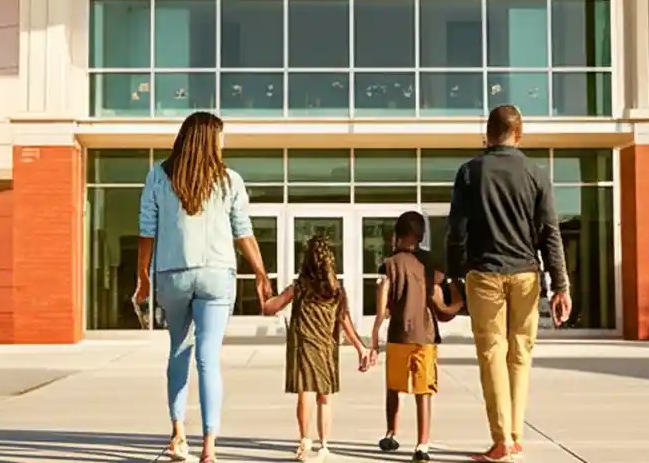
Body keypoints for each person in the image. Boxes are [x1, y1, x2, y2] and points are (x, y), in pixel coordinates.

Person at [134, 111, 273, 463]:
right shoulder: (229, 180)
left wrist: (142, 277)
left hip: (172, 274)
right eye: (221, 136)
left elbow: (147, 231)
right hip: (216, 273)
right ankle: (209, 449)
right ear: (211, 139)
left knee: (179, 350)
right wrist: (260, 273)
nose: (223, 143)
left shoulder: (158, 176)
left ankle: (179, 435)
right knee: (208, 358)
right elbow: (244, 231)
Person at [446, 105, 572, 463]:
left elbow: (456, 230)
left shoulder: (470, 172)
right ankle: (513, 436)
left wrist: (455, 275)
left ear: (487, 134)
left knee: (492, 354)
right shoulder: (536, 173)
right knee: (520, 355)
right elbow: (551, 233)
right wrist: (560, 284)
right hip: (527, 276)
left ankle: (502, 440)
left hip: (485, 273)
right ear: (519, 134)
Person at [261, 234, 370, 461]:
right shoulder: (335, 290)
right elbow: (344, 321)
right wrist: (361, 348)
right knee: (324, 397)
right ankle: (325, 444)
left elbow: (270, 308)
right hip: (327, 348)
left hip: (304, 345)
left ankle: (304, 440)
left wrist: (263, 292)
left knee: (304, 394)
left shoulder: (299, 287)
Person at [369, 211, 463, 462]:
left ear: (396, 236)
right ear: (421, 236)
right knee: (424, 391)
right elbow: (440, 304)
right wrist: (456, 301)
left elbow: (382, 302)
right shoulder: (431, 264)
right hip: (426, 336)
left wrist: (375, 333)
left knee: (393, 387)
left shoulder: (390, 264)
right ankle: (422, 445)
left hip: (398, 334)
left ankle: (391, 432)